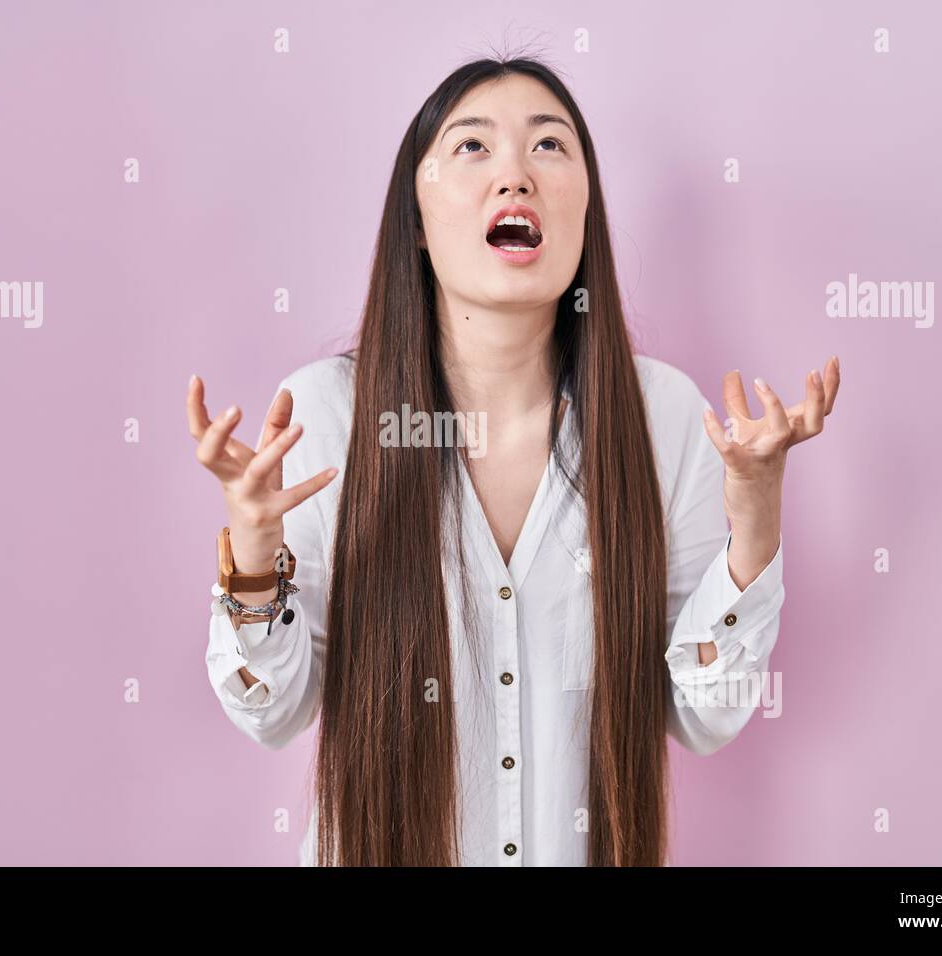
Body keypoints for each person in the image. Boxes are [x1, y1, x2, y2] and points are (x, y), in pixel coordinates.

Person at [187, 55, 840, 866]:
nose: (515, 176)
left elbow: (706, 716)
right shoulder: (325, 415)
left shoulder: (664, 416)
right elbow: (274, 714)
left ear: (586, 210)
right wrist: (251, 557)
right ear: (417, 220)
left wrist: (756, 516)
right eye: (472, 147)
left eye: (550, 147)